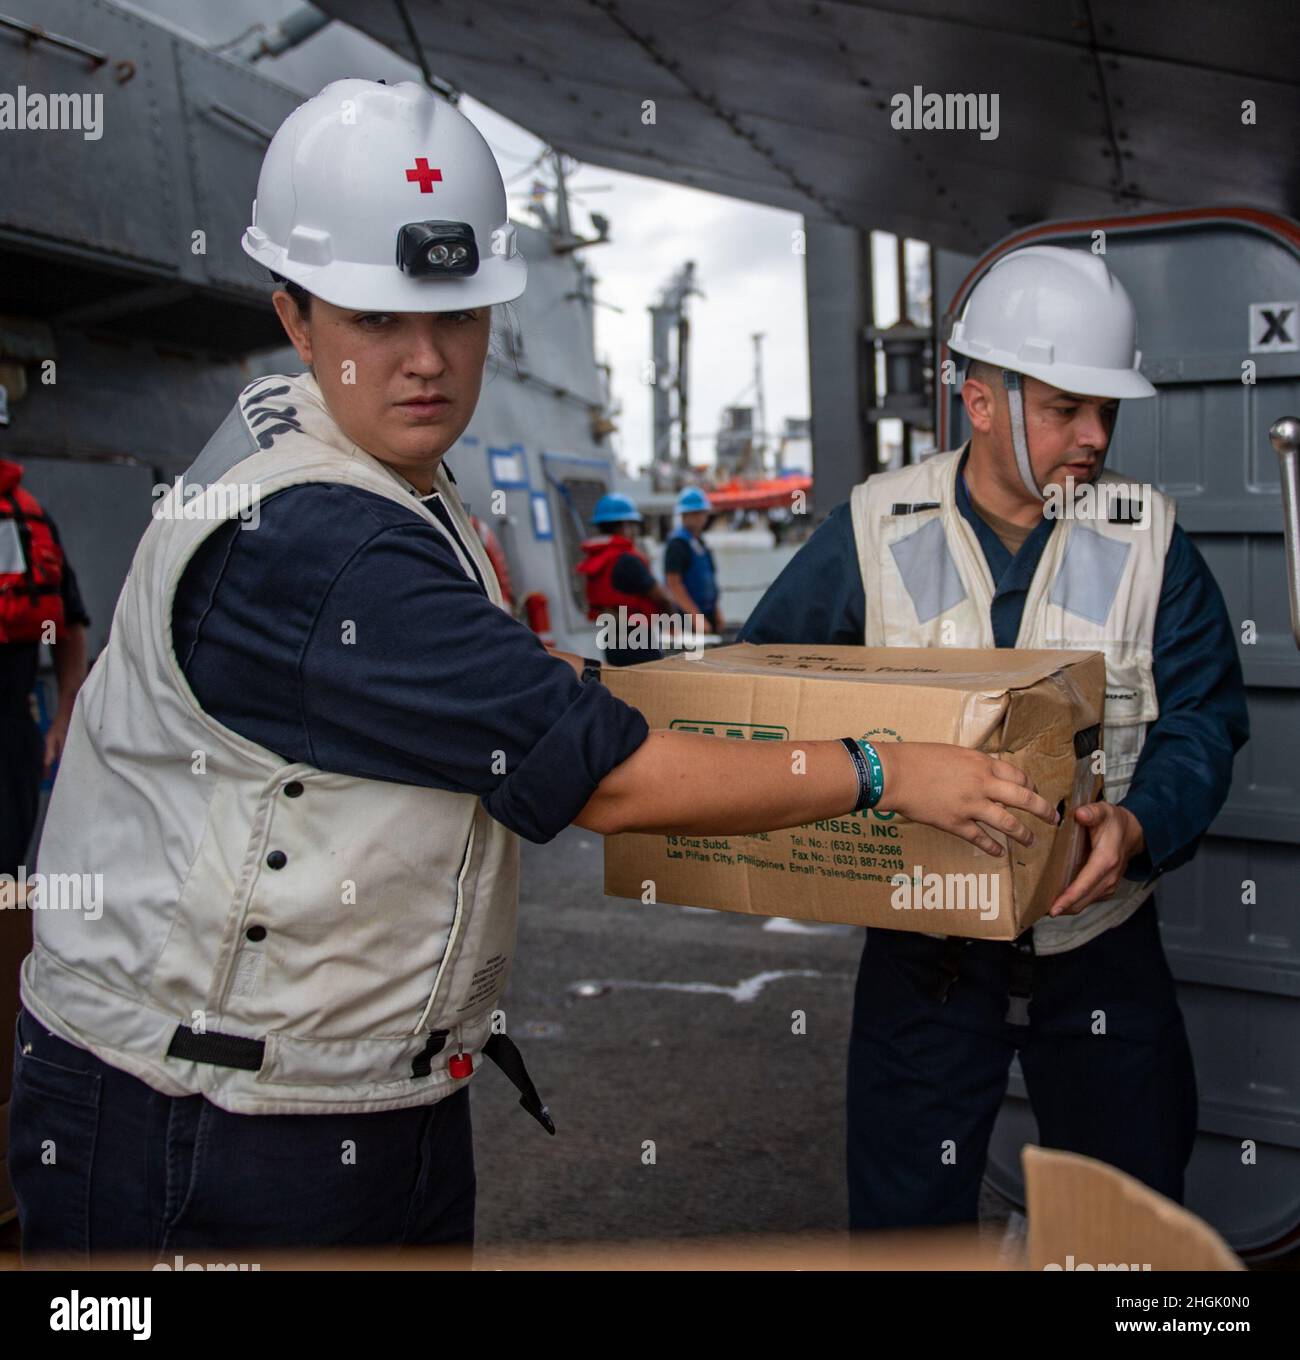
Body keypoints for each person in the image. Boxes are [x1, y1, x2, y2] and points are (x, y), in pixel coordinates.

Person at [10, 79, 1056, 1260]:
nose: (424, 361)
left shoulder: (357, 464)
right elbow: (603, 782)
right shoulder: (321, 538)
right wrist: (884, 769)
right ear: (296, 318)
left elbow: (407, 686)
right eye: (373, 319)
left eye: (456, 316)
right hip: (210, 1131)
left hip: (351, 1090)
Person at [742, 244, 1249, 1231]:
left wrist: (1138, 826)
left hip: (1099, 946)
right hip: (924, 959)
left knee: (1130, 1224)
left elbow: (1204, 719)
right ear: (981, 401)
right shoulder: (874, 529)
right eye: (1066, 408)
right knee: (906, 1224)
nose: (1094, 436)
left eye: (1107, 410)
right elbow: (769, 696)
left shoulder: (1145, 538)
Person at [0, 459, 89, 876]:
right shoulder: (22, 516)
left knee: (5, 875)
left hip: (11, 735)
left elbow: (66, 622)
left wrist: (65, 715)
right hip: (13, 739)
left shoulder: (23, 519)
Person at [577, 492, 677, 665]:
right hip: (637, 642)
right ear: (624, 526)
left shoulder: (597, 558)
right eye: (633, 526)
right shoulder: (628, 560)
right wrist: (675, 624)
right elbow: (661, 597)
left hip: (611, 643)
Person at [663, 487, 723, 635]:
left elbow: (710, 580)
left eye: (702, 513)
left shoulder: (701, 544)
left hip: (706, 615)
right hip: (687, 619)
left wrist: (717, 612)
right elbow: (673, 584)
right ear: (684, 515)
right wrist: (695, 617)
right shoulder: (677, 544)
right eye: (694, 513)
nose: (700, 518)